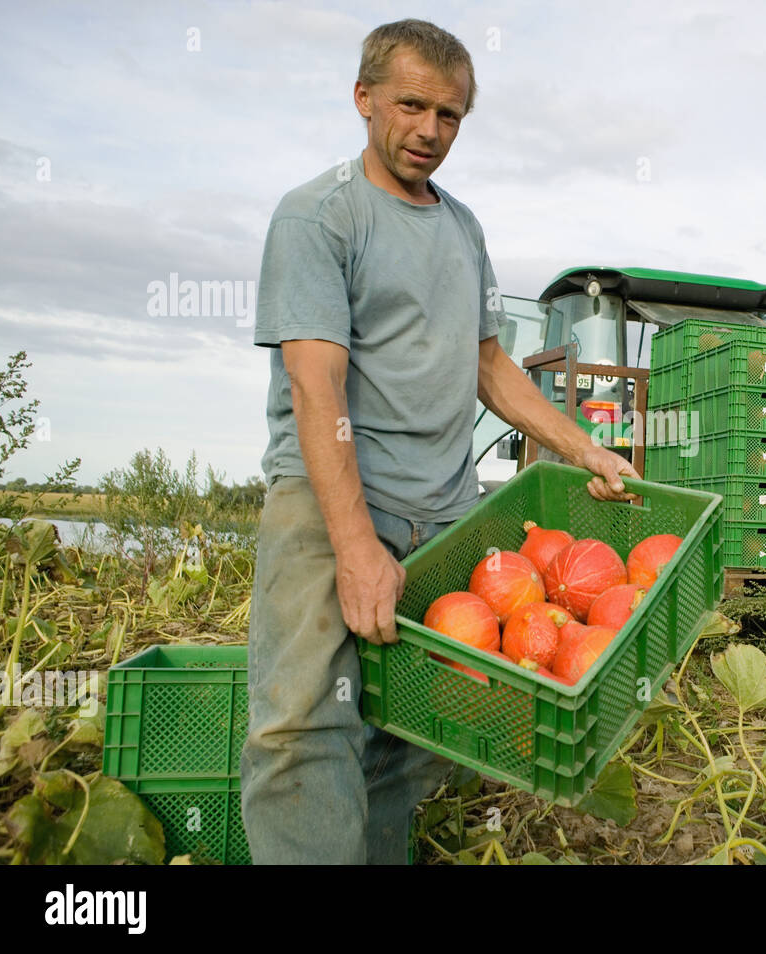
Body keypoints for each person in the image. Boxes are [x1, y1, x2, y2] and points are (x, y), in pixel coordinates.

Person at [240, 18, 637, 865]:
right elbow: (317, 386)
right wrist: (354, 547)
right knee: (301, 727)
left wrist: (585, 449)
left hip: (445, 513)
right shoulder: (319, 216)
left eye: (449, 115)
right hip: (333, 505)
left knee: (412, 733)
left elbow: (490, 364)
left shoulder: (462, 228)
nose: (429, 130)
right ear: (364, 99)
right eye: (411, 105)